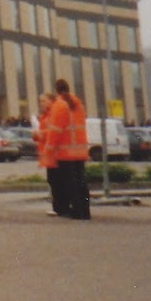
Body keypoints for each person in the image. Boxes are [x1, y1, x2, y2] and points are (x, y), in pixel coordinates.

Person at [48, 78, 91, 220]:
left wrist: (49, 149)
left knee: (70, 184)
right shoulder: (78, 104)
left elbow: (55, 130)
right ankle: (85, 211)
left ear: (56, 90)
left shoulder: (59, 105)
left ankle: (76, 211)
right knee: (81, 183)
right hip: (80, 150)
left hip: (66, 152)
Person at [33, 92, 64, 216]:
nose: (41, 104)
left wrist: (40, 134)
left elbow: (54, 132)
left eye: (44, 101)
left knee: (56, 181)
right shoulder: (45, 116)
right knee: (53, 180)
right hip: (48, 153)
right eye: (40, 101)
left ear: (51, 101)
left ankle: (59, 207)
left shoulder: (52, 114)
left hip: (55, 153)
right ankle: (57, 206)